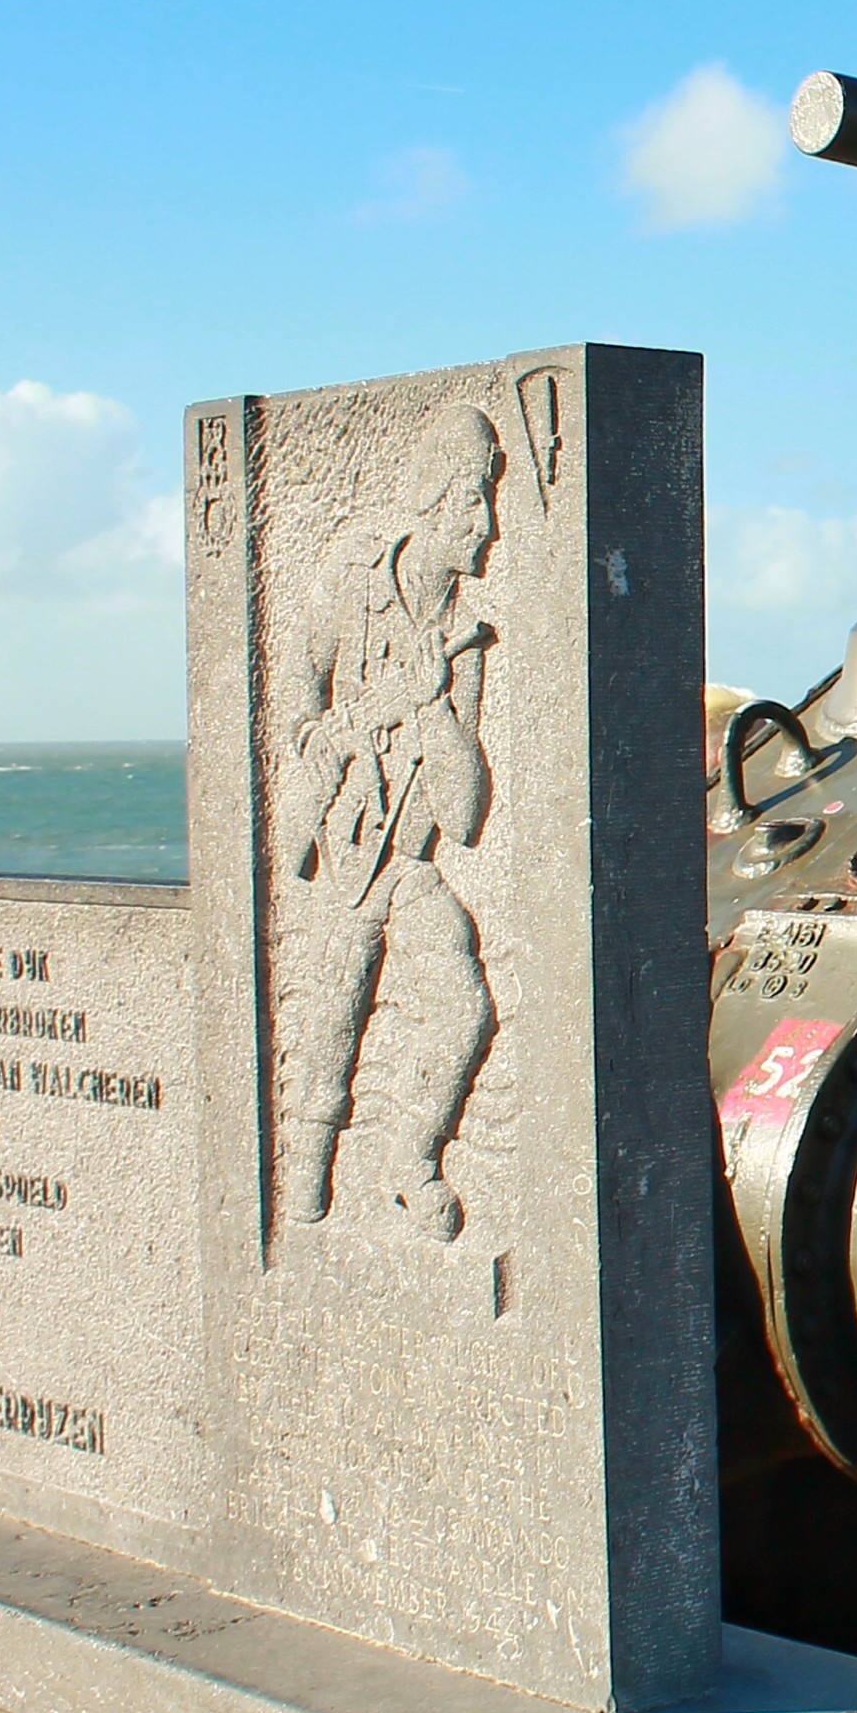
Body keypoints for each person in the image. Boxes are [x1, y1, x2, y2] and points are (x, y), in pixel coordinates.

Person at [271, 404, 502, 1241]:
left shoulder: (464, 640)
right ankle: (304, 1172)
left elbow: (466, 814)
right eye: (475, 501)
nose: (489, 524)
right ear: (437, 500)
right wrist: (314, 739)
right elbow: (302, 667)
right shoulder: (359, 576)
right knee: (331, 1023)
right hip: (341, 856)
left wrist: (432, 704)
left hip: (407, 863)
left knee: (465, 1006)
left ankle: (411, 1160)